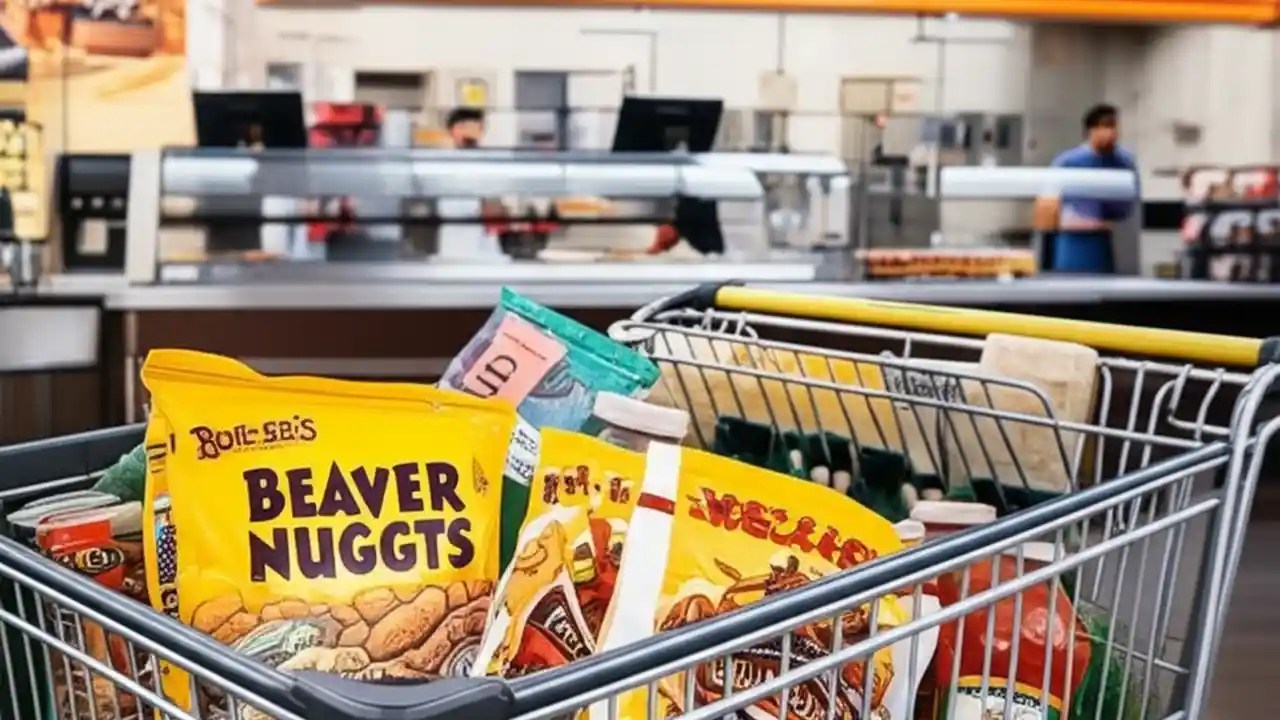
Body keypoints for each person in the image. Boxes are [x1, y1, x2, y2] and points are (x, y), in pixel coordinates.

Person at [1048, 104, 1139, 273]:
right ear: (1091, 130)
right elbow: (1048, 205)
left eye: (1114, 126)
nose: (1112, 133)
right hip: (1072, 242)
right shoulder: (1068, 162)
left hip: (1106, 241)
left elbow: (1130, 204)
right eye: (1106, 126)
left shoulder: (1124, 163)